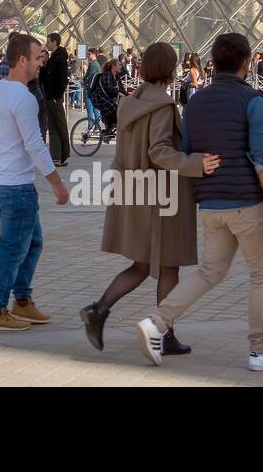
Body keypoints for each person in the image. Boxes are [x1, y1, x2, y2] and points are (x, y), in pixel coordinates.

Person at [136, 32, 263, 372]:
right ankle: (261, 351)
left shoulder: (195, 103)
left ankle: (157, 322)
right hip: (247, 203)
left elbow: (191, 152)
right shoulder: (251, 100)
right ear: (247, 62)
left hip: (210, 204)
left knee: (210, 272)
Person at [81, 42, 220, 353]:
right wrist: (196, 163)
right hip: (162, 196)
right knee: (169, 265)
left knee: (143, 264)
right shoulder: (161, 106)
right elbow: (159, 151)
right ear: (169, 69)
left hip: (136, 192)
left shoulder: (132, 101)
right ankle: (164, 333)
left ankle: (99, 310)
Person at [0, 32, 70, 331]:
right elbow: (34, 144)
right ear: (22, 60)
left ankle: (22, 300)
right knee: (14, 249)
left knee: (32, 243)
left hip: (2, 183)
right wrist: (56, 183)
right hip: (16, 187)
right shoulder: (24, 98)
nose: (42, 62)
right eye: (38, 57)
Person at [39, 33, 70, 165]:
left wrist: (57, 96)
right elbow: (45, 79)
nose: (47, 44)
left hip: (54, 98)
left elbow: (63, 80)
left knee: (59, 125)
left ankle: (62, 154)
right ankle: (56, 157)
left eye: (49, 42)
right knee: (52, 127)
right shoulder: (53, 58)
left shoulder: (60, 59)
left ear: (55, 42)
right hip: (51, 97)